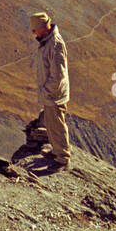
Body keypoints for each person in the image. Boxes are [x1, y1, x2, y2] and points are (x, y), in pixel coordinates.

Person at [29, 12, 71, 170]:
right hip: (51, 94)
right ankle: (57, 151)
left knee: (57, 124)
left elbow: (58, 75)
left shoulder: (55, 44)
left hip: (55, 95)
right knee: (51, 125)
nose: (33, 33)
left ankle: (62, 158)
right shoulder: (47, 42)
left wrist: (46, 92)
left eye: (35, 29)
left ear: (43, 28)